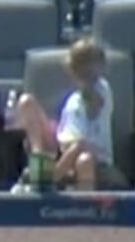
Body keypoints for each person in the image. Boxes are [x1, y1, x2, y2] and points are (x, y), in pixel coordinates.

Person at [12, 38, 129, 192]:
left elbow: (93, 108)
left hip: (93, 156)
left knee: (83, 159)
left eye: (91, 66)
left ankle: (45, 184)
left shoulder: (102, 89)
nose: (86, 72)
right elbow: (65, 131)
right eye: (81, 67)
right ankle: (38, 165)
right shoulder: (73, 99)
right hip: (63, 147)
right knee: (27, 102)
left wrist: (57, 171)